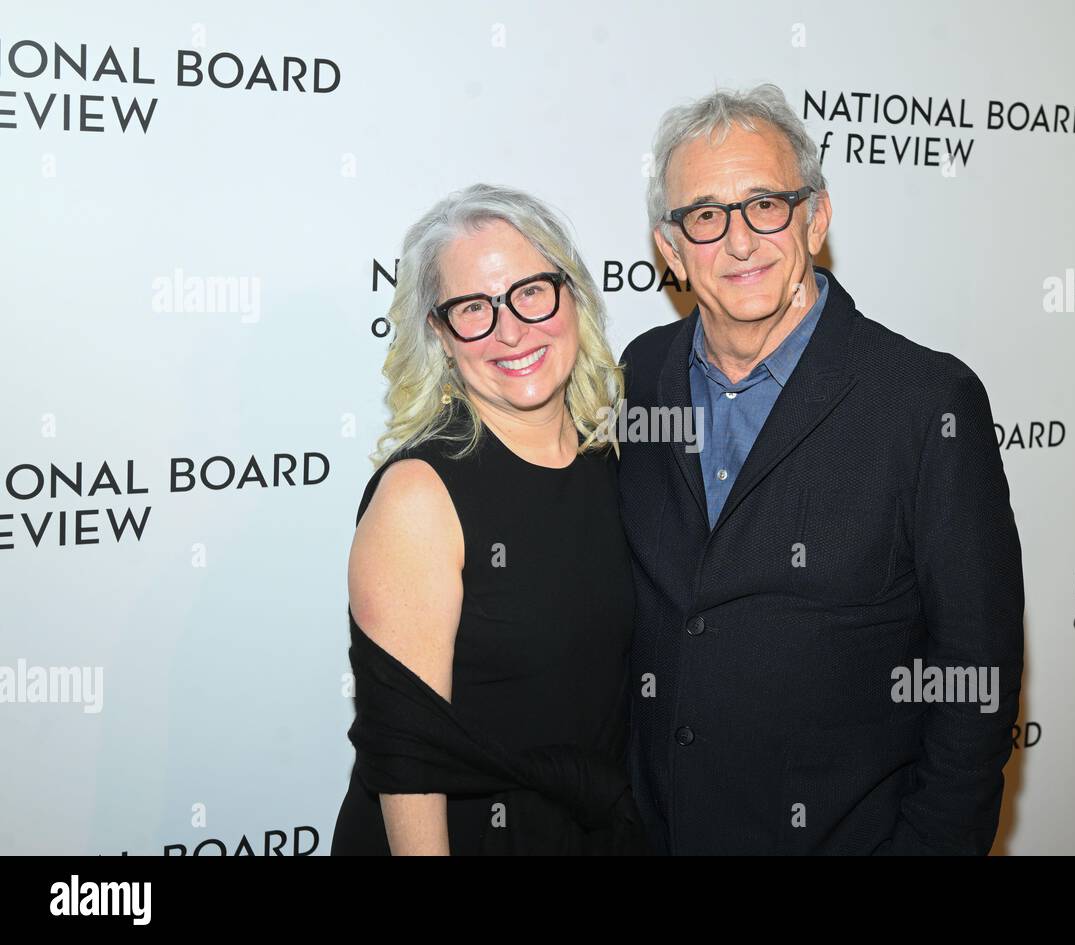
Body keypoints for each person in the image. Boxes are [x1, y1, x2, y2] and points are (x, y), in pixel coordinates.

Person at [618, 84, 1026, 854]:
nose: (739, 243)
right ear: (670, 248)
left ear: (816, 217)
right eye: (705, 215)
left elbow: (973, 684)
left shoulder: (926, 403)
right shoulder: (640, 375)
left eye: (766, 203)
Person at [332, 183, 646, 855]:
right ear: (441, 337)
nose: (511, 329)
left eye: (531, 291)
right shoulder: (421, 496)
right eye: (473, 308)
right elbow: (406, 756)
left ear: (573, 295)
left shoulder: (612, 461)